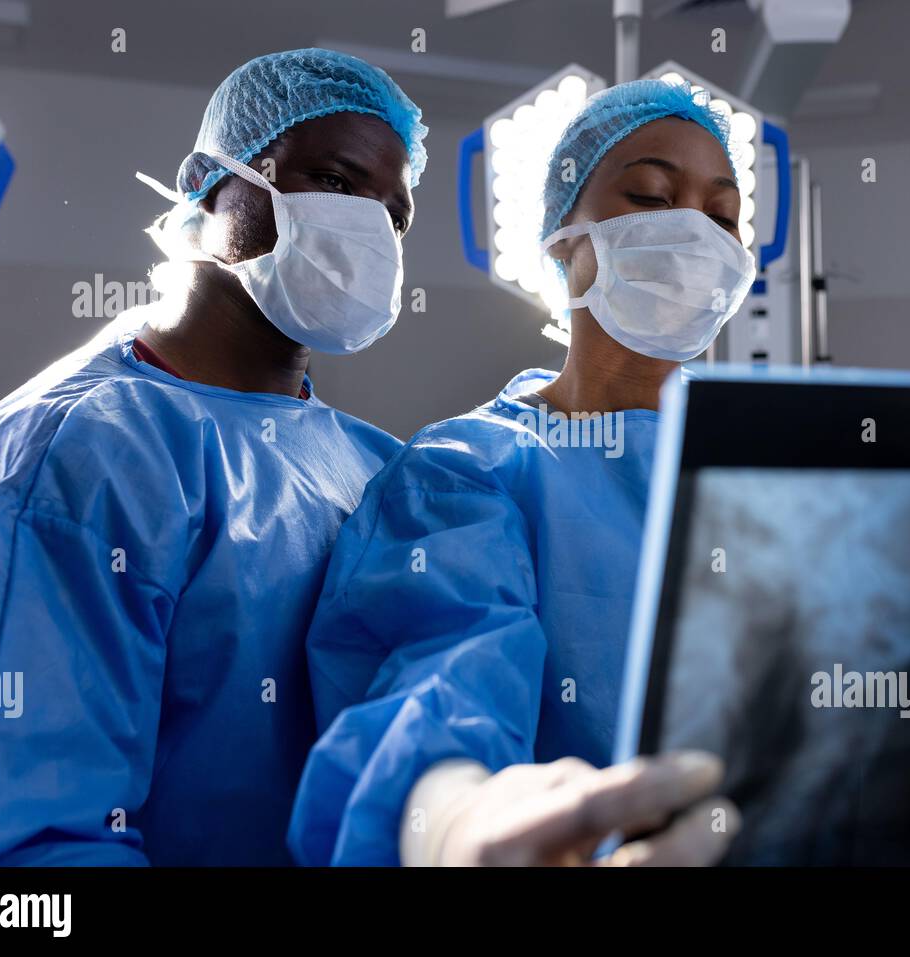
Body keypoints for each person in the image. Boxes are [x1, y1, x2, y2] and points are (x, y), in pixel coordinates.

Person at [0, 49, 426, 865]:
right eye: (337, 181)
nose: (371, 226)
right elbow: (10, 865)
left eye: (395, 214)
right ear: (212, 183)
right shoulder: (69, 459)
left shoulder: (382, 470)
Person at [289, 79, 756, 866]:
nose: (695, 236)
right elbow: (442, 679)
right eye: (650, 195)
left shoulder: (763, 469)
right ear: (561, 241)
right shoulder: (466, 473)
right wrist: (455, 823)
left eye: (722, 217)